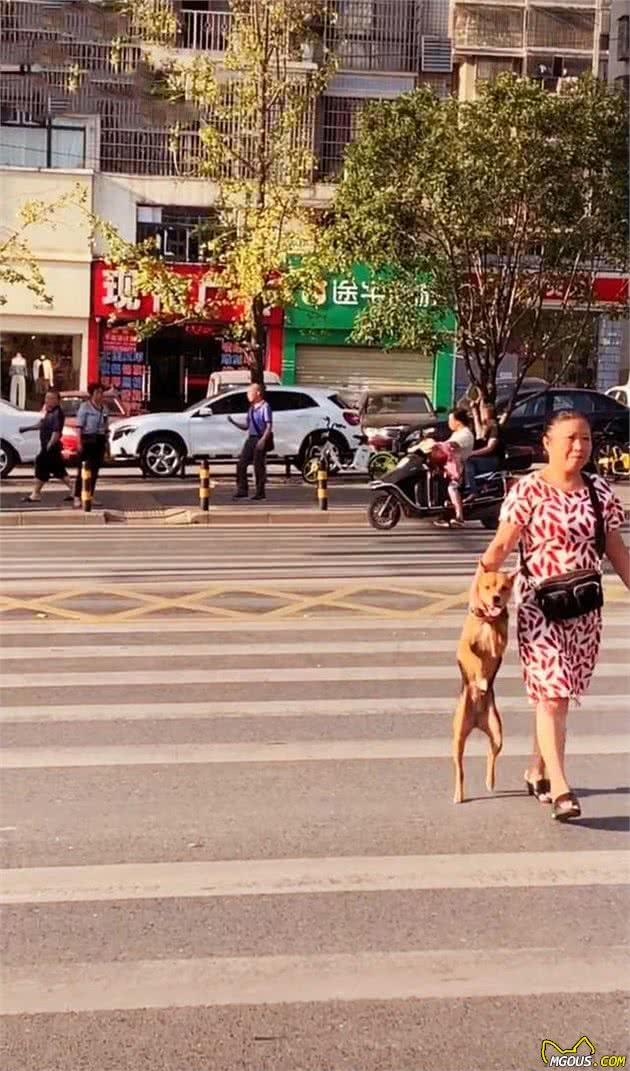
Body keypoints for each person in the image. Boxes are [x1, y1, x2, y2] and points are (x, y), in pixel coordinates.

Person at [469, 410, 629, 821]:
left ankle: (537, 769)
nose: (579, 446)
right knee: (553, 693)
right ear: (547, 443)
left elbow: (616, 550)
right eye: (570, 438)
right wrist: (477, 588)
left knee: (556, 697)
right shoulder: (529, 490)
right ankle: (561, 788)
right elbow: (501, 546)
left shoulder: (599, 490)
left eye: (586, 439)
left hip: (584, 610)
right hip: (540, 608)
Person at [19, 389, 74, 504]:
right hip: (49, 446)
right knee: (59, 471)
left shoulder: (57, 413)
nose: (48, 400)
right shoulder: (49, 412)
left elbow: (56, 432)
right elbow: (41, 424)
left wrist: (49, 445)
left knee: (41, 466)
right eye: (47, 398)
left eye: (51, 398)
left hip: (51, 447)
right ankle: (75, 491)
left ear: (58, 400)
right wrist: (27, 428)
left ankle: (35, 494)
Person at [229, 382, 273, 501]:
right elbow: (247, 426)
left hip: (260, 438)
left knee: (258, 466)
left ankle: (260, 492)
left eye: (250, 392)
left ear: (258, 393)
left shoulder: (265, 407)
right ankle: (242, 490)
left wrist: (263, 440)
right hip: (251, 438)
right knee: (241, 464)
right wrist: (234, 423)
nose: (247, 395)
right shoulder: (251, 408)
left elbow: (269, 426)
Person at [434, 407, 475, 528]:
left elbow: (452, 445)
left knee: (452, 488)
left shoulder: (465, 434)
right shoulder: (457, 433)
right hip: (449, 465)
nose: (449, 423)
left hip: (458, 468)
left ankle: (459, 517)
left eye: (450, 420)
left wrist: (437, 444)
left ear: (458, 422)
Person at [73, 382, 109, 509]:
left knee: (94, 470)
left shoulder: (104, 408)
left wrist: (106, 443)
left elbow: (106, 426)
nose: (100, 395)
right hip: (87, 439)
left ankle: (90, 495)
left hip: (99, 440)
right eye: (97, 392)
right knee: (83, 470)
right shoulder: (85, 407)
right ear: (92, 394)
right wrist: (79, 442)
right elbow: (79, 426)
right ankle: (77, 496)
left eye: (101, 392)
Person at [466, 400, 504, 493]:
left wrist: (471, 453)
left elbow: (490, 448)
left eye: (483, 411)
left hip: (493, 460)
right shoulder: (485, 427)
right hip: (484, 458)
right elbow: (478, 432)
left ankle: (472, 490)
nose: (481, 414)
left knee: (468, 461)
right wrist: (474, 410)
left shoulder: (495, 427)